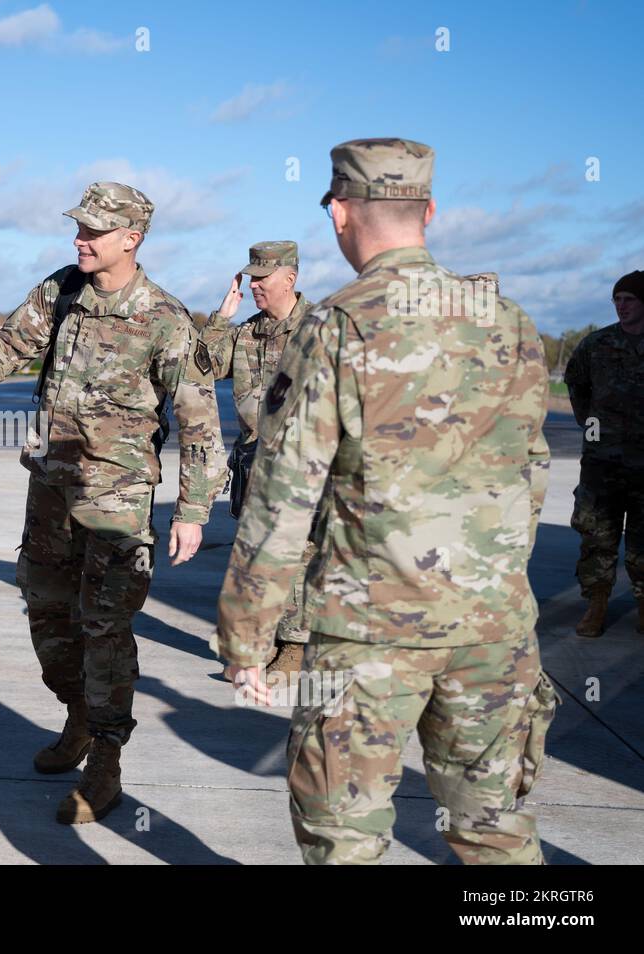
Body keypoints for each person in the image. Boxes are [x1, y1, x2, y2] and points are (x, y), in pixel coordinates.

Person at [217, 138, 559, 864]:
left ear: (339, 213)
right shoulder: (511, 323)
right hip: (493, 629)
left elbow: (282, 495)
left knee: (344, 836)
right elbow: (532, 472)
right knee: (494, 827)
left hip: (368, 634)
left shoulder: (335, 325)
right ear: (429, 210)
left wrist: (247, 638)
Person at [0, 182, 226, 824]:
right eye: (79, 227)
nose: (81, 238)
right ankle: (76, 714)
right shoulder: (60, 291)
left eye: (95, 231)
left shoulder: (165, 319)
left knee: (106, 627)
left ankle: (106, 757)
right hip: (50, 489)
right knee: (46, 615)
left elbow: (201, 424)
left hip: (116, 502)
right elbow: (10, 344)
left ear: (131, 239)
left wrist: (192, 510)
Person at [198, 241, 314, 673]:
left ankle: (295, 646)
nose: (256, 286)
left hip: (304, 462)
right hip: (254, 460)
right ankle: (259, 644)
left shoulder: (318, 330)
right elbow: (200, 367)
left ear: (290, 278)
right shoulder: (246, 333)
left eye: (263, 278)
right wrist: (221, 318)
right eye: (251, 278)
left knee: (299, 555)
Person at [564, 269, 644, 637]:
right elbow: (576, 384)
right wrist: (592, 425)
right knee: (597, 536)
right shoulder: (596, 345)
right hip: (602, 462)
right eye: (617, 300)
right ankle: (596, 606)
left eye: (629, 300)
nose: (621, 306)